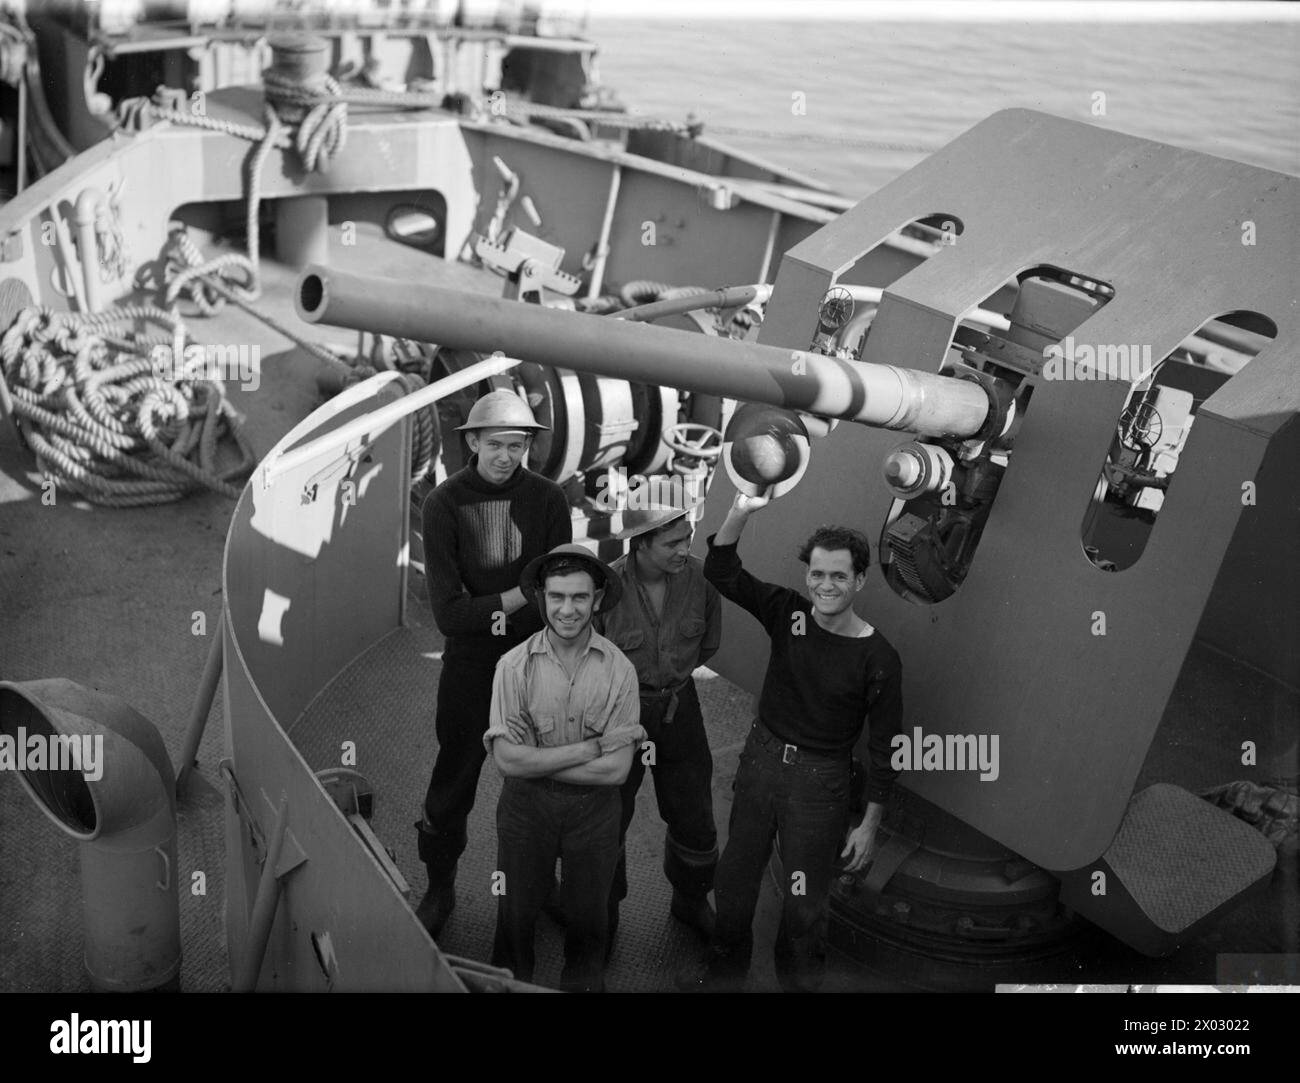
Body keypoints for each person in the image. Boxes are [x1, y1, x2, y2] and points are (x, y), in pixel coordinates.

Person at [688, 490, 904, 993]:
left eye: (838, 576)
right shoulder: (788, 612)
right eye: (817, 574)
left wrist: (869, 825)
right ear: (808, 575)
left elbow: (886, 748)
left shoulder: (879, 658)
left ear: (859, 580)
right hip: (761, 764)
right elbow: (721, 571)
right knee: (734, 886)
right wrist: (741, 509)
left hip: (820, 785)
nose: (825, 586)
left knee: (805, 908)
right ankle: (723, 980)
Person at [413, 389, 571, 938]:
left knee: (546, 780)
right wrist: (521, 595)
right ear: (472, 442)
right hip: (472, 668)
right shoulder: (443, 505)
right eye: (496, 444)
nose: (507, 456)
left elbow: (563, 595)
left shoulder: (549, 501)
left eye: (519, 445)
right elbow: (451, 617)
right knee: (454, 777)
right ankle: (441, 885)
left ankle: (540, 883)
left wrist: (519, 602)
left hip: (537, 665)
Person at [484, 544, 644, 992]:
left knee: (590, 919)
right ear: (542, 599)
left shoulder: (620, 672)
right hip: (525, 810)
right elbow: (506, 761)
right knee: (514, 913)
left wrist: (534, 760)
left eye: (578, 598)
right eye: (557, 597)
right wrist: (590, 749)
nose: (567, 609)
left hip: (595, 814)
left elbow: (616, 772)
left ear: (596, 600)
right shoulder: (512, 667)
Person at [598, 500, 722, 948]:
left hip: (678, 708)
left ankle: (689, 900)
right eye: (672, 542)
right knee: (606, 817)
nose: (684, 549)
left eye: (687, 538)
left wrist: (668, 680)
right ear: (640, 544)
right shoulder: (605, 588)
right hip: (618, 714)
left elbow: (707, 644)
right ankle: (604, 913)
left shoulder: (700, 579)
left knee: (695, 814)